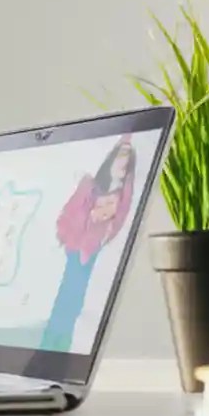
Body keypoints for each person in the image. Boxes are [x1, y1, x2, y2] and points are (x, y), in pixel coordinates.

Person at [39, 136, 136, 352]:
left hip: (95, 249)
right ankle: (51, 342)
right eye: (120, 156)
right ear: (112, 158)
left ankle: (61, 343)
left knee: (77, 297)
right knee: (67, 294)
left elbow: (119, 219)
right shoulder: (91, 184)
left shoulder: (124, 193)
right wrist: (90, 216)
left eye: (128, 159)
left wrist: (106, 224)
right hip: (77, 246)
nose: (123, 163)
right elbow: (69, 212)